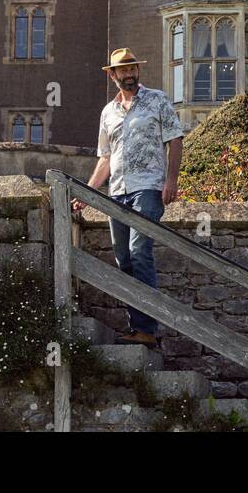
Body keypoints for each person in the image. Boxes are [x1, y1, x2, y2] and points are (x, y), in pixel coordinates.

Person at [72, 48, 184, 346]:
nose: (130, 74)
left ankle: (147, 329)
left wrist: (171, 180)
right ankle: (137, 328)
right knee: (123, 259)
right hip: (117, 193)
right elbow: (106, 158)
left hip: (148, 187)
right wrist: (87, 192)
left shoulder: (157, 99)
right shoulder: (107, 113)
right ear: (113, 75)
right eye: (124, 70)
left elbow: (175, 140)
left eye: (133, 68)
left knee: (139, 252)